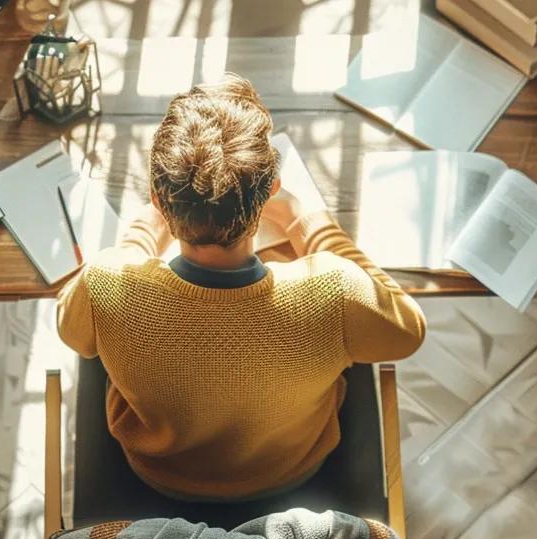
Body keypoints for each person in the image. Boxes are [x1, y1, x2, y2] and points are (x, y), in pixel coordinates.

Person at [56, 73, 425, 502]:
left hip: (157, 474)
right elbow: (408, 330)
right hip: (292, 472)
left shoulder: (108, 282)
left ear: (159, 199)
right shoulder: (334, 289)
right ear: (271, 190)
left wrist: (140, 234)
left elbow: (71, 332)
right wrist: (309, 221)